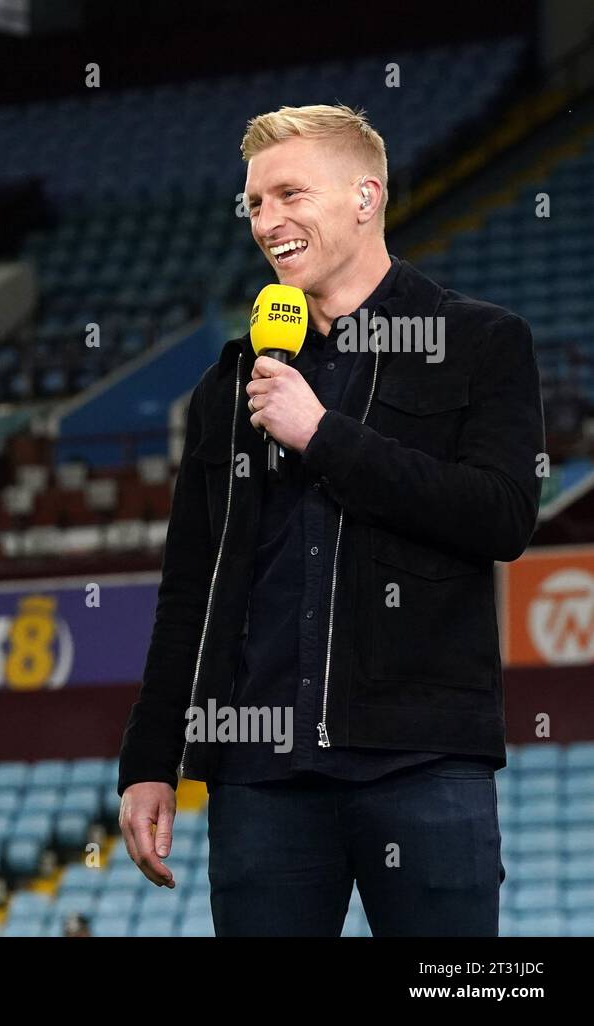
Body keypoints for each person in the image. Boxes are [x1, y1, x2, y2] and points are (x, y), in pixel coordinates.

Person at [117, 104, 543, 936]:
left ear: (365, 196)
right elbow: (189, 589)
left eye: (288, 194)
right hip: (259, 775)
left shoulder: (481, 342)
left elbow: (501, 516)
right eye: (254, 204)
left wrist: (324, 436)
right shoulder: (231, 380)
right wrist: (149, 760)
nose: (267, 221)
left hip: (424, 762)